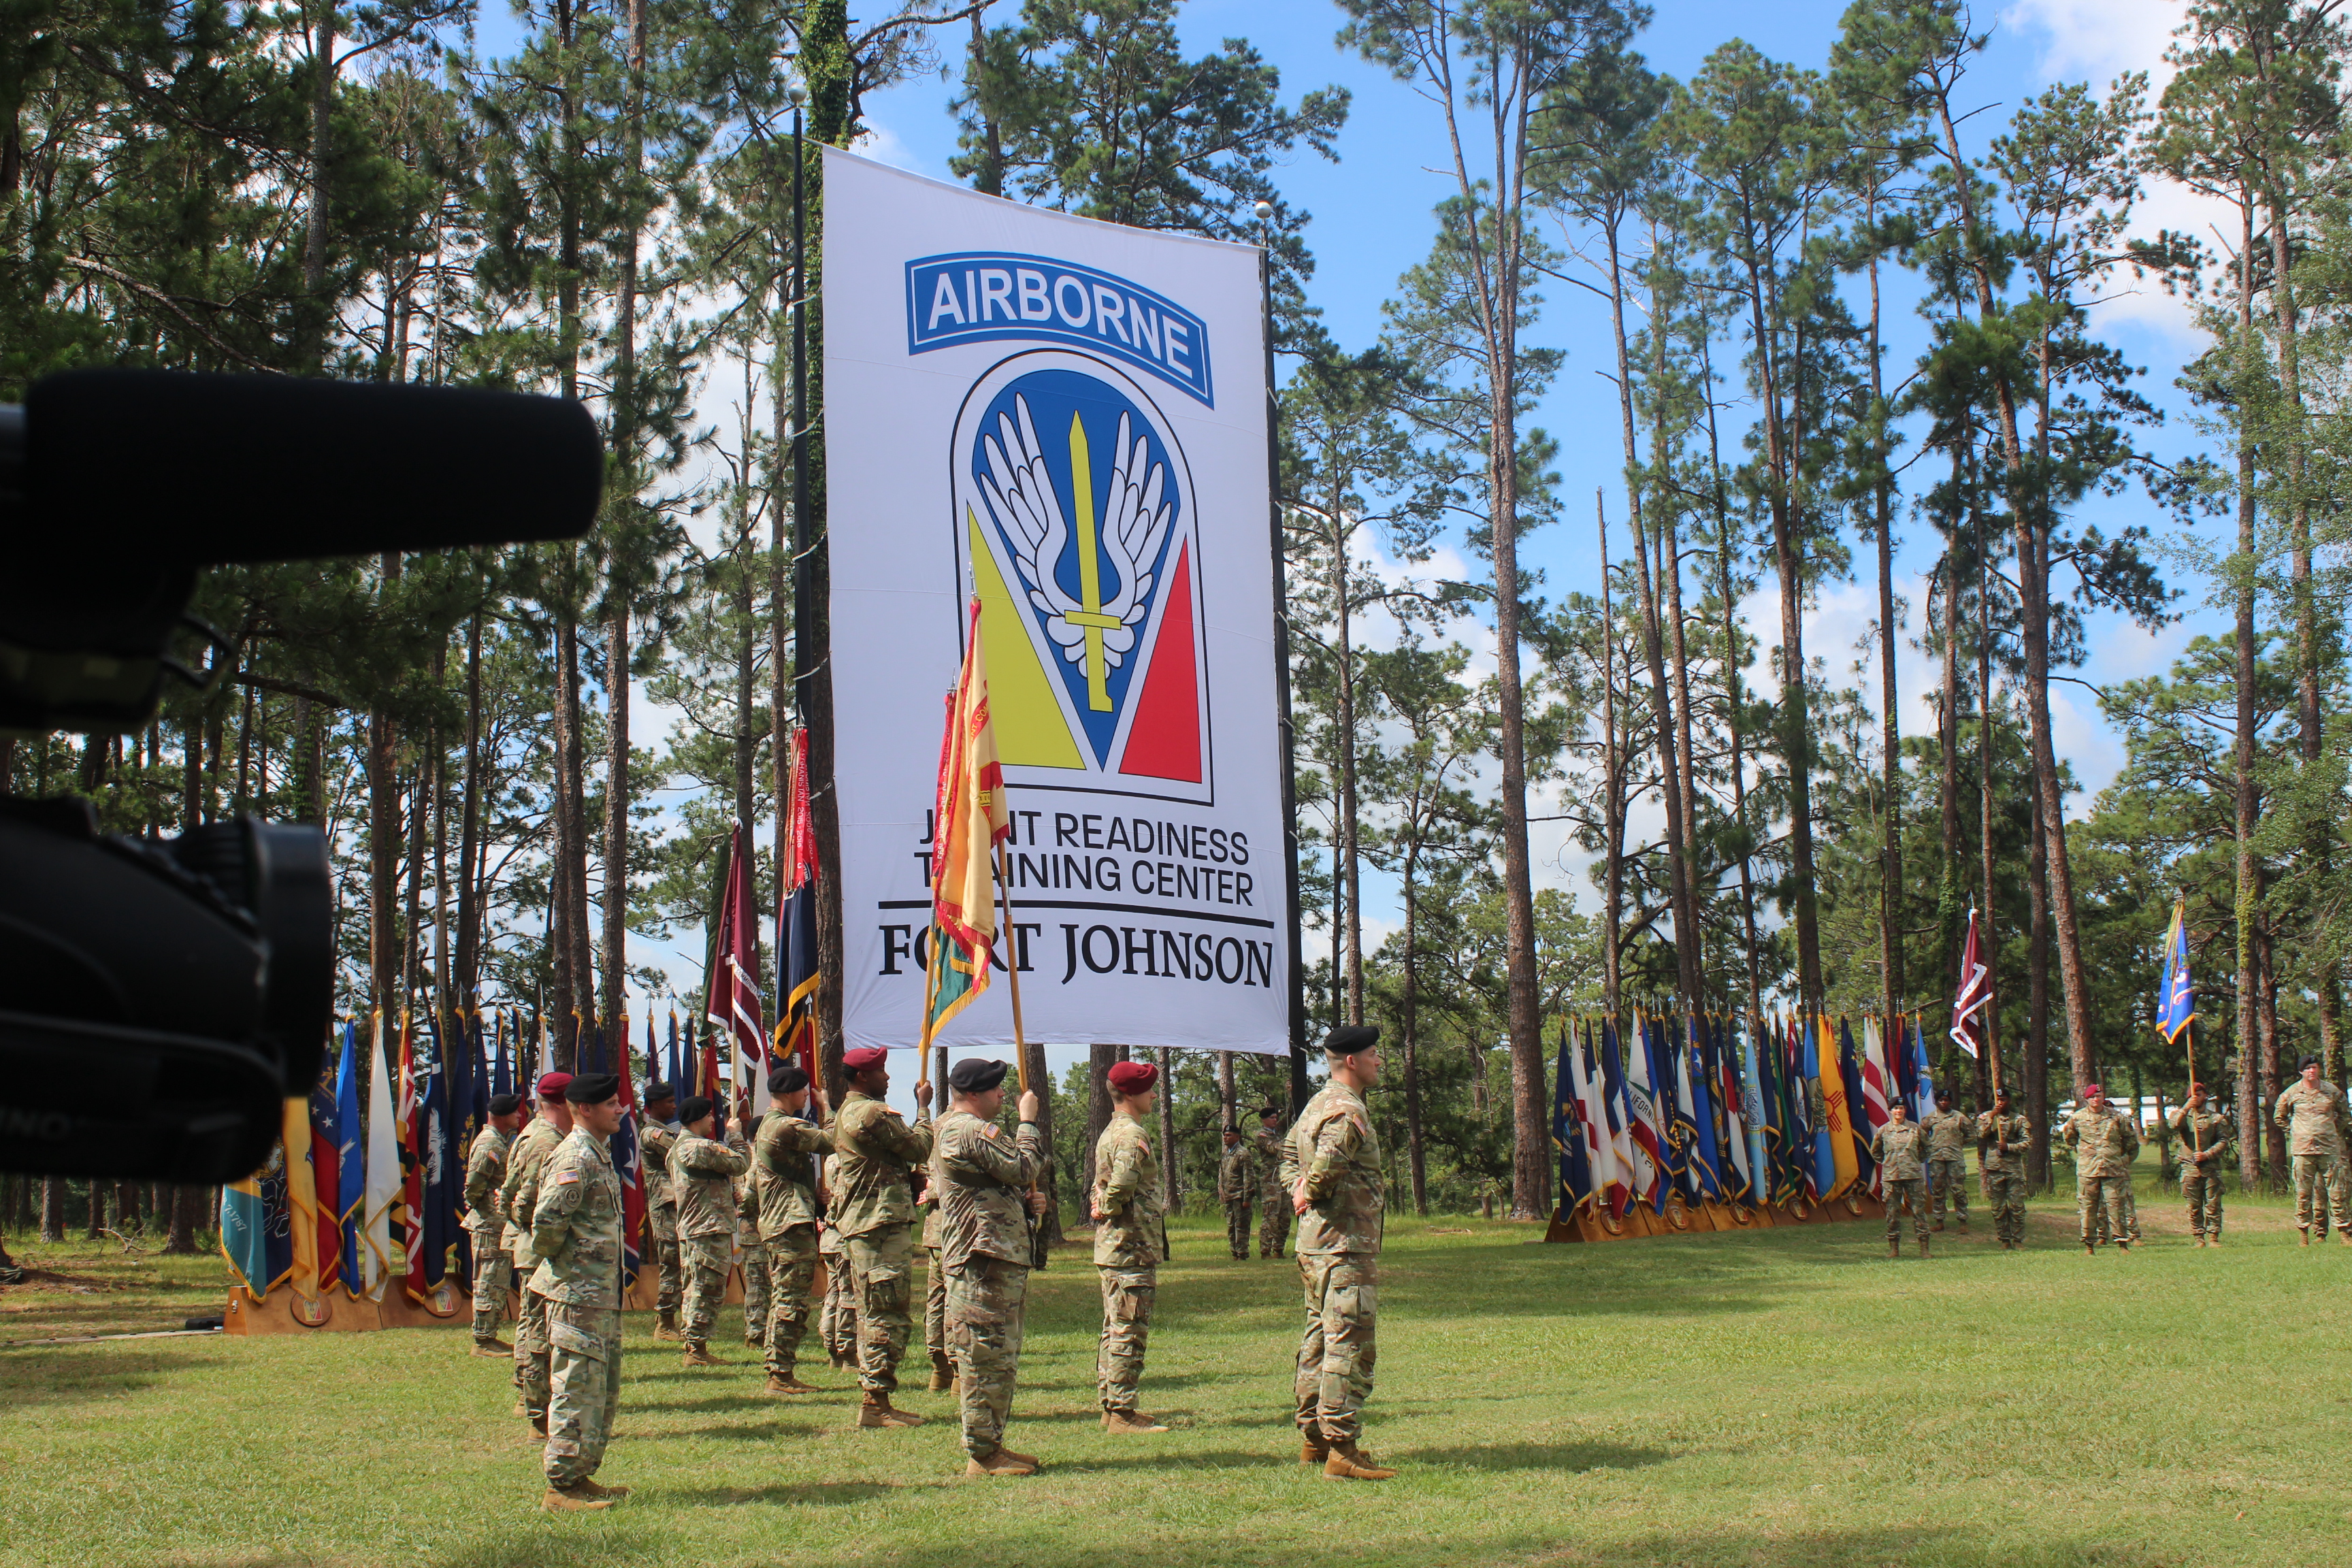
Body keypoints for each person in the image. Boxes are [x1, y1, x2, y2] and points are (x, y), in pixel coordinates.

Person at [1284, 1025, 1394, 1482]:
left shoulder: (1318, 1102)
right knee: (1348, 1343)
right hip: (1344, 1245)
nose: (1378, 1060)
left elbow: (1290, 1151)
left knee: (1319, 1338)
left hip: (1317, 1245)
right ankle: (1342, 1449)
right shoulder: (1348, 1111)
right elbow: (1326, 1167)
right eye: (1373, 1054)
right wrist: (1309, 1187)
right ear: (1351, 1061)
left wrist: (1297, 1187)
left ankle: (1313, 1438)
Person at [934, 1057, 1048, 1476]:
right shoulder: (969, 1129)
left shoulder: (960, 1128)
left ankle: (992, 1445)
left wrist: (1025, 1202)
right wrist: (1028, 1123)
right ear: (974, 1094)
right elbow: (1023, 1167)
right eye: (996, 1088)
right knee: (984, 1355)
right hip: (983, 1260)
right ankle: (983, 1454)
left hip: (994, 1255)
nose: (1003, 1094)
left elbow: (1004, 1183)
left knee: (998, 1355)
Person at [530, 1073, 630, 1512]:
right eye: (610, 1103)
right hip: (577, 1296)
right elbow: (546, 1225)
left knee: (599, 1390)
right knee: (575, 1388)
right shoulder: (575, 1157)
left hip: (599, 1297)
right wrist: (569, 1272)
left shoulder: (599, 1155)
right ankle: (560, 1486)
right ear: (584, 1109)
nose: (619, 1109)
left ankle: (580, 1473)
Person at [831, 1045, 934, 1428]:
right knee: (885, 1313)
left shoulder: (848, 1111)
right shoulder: (871, 1111)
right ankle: (875, 1403)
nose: (887, 1077)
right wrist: (923, 1108)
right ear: (862, 1077)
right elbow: (919, 1145)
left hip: (869, 1222)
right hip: (878, 1224)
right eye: (881, 1072)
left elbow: (885, 1159)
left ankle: (878, 1400)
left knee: (876, 1310)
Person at [1092, 1058, 1169, 1434]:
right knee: (1129, 1328)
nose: (1154, 1094)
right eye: (1149, 1089)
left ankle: (1112, 1405)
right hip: (1130, 1244)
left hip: (1116, 1247)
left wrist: (1101, 1204)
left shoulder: (1111, 1132)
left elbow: (1102, 1183)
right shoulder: (1131, 1135)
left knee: (1115, 1326)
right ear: (1129, 1094)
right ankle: (1122, 1413)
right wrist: (1106, 1208)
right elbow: (1120, 1184)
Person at [752, 1066, 832, 1394]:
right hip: (788, 1223)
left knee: (786, 1298)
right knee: (791, 1301)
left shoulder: (771, 1125)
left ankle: (780, 1370)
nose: (807, 1097)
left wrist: (812, 1195)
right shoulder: (784, 1125)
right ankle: (780, 1374)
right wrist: (827, 1108)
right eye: (803, 1091)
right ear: (788, 1094)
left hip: (785, 1218)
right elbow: (832, 1141)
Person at [500, 1071, 572, 1431]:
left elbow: (509, 1192)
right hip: (541, 1249)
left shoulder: (536, 1133)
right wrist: (548, 1236)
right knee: (539, 1331)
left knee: (533, 1325)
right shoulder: (546, 1141)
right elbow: (524, 1203)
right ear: (562, 1103)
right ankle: (536, 1409)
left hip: (536, 1247)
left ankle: (528, 1395)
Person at [667, 1094, 748, 1367]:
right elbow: (740, 1163)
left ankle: (693, 1344)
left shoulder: (678, 1147)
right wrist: (736, 1136)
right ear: (698, 1119)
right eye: (710, 1116)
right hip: (707, 1227)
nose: (714, 1120)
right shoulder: (699, 1147)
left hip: (698, 1225)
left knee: (696, 1285)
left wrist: (725, 1193)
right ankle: (696, 1348)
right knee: (707, 1287)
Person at [463, 1092, 527, 1356]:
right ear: (501, 1116)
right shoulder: (490, 1143)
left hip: (498, 1224)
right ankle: (483, 1340)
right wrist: (488, 1209)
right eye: (514, 1112)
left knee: (497, 1280)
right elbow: (474, 1186)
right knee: (489, 1280)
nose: (519, 1116)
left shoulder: (501, 1141)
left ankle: (488, 1335)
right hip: (489, 1224)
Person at [2272, 1055, 2352, 1245]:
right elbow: (2279, 1116)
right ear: (2301, 1071)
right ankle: (2304, 1235)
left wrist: (2333, 1131)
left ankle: (2344, 1233)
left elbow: (2344, 1114)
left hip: (2329, 1150)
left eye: (2315, 1067)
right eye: (2308, 1068)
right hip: (2303, 1151)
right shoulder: (2291, 1093)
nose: (2312, 1071)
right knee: (2303, 1194)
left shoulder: (2331, 1091)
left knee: (2337, 1193)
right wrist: (2295, 1131)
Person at [2061, 1083, 2138, 1255]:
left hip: (2113, 1170)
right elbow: (2070, 1138)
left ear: (2103, 1098)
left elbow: (2131, 1141)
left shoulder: (2117, 1117)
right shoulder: (2077, 1118)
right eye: (2092, 1097)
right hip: (2088, 1171)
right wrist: (2085, 1154)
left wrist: (2123, 1160)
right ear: (2087, 1099)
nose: (2096, 1100)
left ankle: (2122, 1243)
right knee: (2088, 1208)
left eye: (2099, 1096)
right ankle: (2089, 1244)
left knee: (2116, 1206)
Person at [637, 1083, 684, 1339]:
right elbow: (682, 1154)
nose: (674, 1106)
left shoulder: (665, 1131)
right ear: (654, 1106)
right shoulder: (652, 1134)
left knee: (678, 1262)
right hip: (666, 1206)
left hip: (676, 1204)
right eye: (669, 1102)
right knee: (671, 1263)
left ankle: (674, 1319)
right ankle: (665, 1323)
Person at [2168, 1083, 2233, 1247]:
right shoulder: (2183, 1116)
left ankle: (2213, 1237)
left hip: (2210, 1167)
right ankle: (2198, 1237)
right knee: (2193, 1205)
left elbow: (2223, 1141)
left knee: (2213, 1204)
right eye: (2192, 1095)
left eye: (2200, 1094)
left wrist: (2207, 1154)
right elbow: (2174, 1125)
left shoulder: (2216, 1118)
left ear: (2206, 1096)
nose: (2196, 1097)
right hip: (2189, 1167)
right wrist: (2185, 1109)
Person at [1871, 1099, 1931, 1259]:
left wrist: (1917, 1160)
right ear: (1891, 1111)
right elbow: (1875, 1151)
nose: (1899, 1111)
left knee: (1919, 1212)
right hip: (1892, 1177)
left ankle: (1924, 1248)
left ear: (1905, 1110)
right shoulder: (1883, 1130)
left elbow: (1927, 1146)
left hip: (1913, 1176)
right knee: (1893, 1213)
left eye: (1901, 1108)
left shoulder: (1915, 1128)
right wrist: (1888, 1163)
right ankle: (1894, 1248)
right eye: (1895, 1108)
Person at [1976, 1090, 2032, 1250]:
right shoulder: (1987, 1117)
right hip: (1995, 1168)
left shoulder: (2019, 1119)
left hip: (2013, 1169)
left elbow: (2027, 1143)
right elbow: (1981, 1134)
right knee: (1998, 1207)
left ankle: (2018, 1239)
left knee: (2016, 1206)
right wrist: (1992, 1116)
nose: (2001, 1103)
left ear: (2009, 1100)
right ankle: (2004, 1239)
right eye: (1997, 1100)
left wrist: (2009, 1147)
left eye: (2004, 1099)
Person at [818, 1151, 857, 1367]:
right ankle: (847, 1351)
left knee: (832, 1295)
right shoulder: (851, 1159)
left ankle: (832, 1348)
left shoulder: (829, 1160)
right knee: (848, 1296)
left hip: (829, 1238)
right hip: (844, 1237)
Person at [734, 1109, 768, 1348]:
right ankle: (756, 1333)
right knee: (759, 1284)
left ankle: (756, 1330)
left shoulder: (744, 1157)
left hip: (752, 1229)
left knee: (758, 1283)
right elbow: (747, 1197)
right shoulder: (757, 1157)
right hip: (756, 1228)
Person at [1921, 1092, 1972, 1232]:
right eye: (1941, 1100)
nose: (1944, 1102)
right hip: (1937, 1158)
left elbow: (1971, 1134)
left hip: (1954, 1158)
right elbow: (1921, 1135)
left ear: (1950, 1102)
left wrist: (1959, 1143)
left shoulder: (1959, 1117)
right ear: (1936, 1102)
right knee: (1938, 1190)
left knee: (1958, 1190)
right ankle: (1939, 1220)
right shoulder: (1930, 1118)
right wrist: (1930, 1146)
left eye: (1946, 1100)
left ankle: (1963, 1221)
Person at [1252, 1105, 1291, 1259]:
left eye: (1276, 1118)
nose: (1275, 1120)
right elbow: (1276, 1149)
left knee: (1285, 1216)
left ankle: (1279, 1249)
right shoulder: (1261, 1136)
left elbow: (1290, 1114)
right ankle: (1265, 1250)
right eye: (1272, 1118)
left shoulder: (1278, 1131)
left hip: (1283, 1177)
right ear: (1264, 1120)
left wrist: (1291, 1093)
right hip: (1271, 1179)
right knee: (1271, 1215)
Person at [1217, 1124, 1254, 1260]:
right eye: (1224, 1135)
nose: (1225, 1138)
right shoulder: (1225, 1155)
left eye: (1229, 1135)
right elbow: (1223, 1175)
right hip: (1229, 1196)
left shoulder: (1243, 1154)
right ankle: (1234, 1252)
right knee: (1231, 1225)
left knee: (1241, 1226)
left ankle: (1242, 1253)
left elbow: (1248, 1177)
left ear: (1237, 1137)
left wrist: (1247, 1198)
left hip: (1240, 1196)